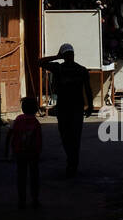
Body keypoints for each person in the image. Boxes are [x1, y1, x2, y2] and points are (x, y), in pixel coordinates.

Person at [38, 43, 93, 177]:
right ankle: (72, 162)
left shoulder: (59, 68)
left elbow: (41, 62)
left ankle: (72, 162)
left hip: (65, 107)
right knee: (73, 136)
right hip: (74, 107)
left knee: (67, 136)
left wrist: (56, 57)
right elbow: (88, 90)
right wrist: (89, 106)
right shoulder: (80, 70)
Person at [5, 96, 42, 209]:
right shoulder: (36, 123)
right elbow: (39, 141)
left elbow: (10, 134)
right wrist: (38, 153)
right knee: (34, 176)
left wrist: (8, 149)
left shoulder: (18, 119)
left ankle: (22, 200)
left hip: (20, 152)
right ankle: (34, 199)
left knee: (21, 176)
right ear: (35, 109)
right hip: (32, 154)